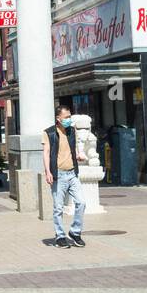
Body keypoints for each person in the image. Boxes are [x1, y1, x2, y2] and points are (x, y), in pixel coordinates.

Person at [39, 105, 85, 248]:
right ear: (58, 119)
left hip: (72, 173)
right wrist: (48, 172)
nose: (69, 120)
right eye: (66, 117)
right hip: (58, 174)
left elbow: (74, 147)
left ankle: (75, 232)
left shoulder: (72, 130)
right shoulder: (49, 133)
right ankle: (60, 236)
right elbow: (46, 153)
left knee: (81, 203)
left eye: (70, 116)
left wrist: (78, 154)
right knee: (58, 208)